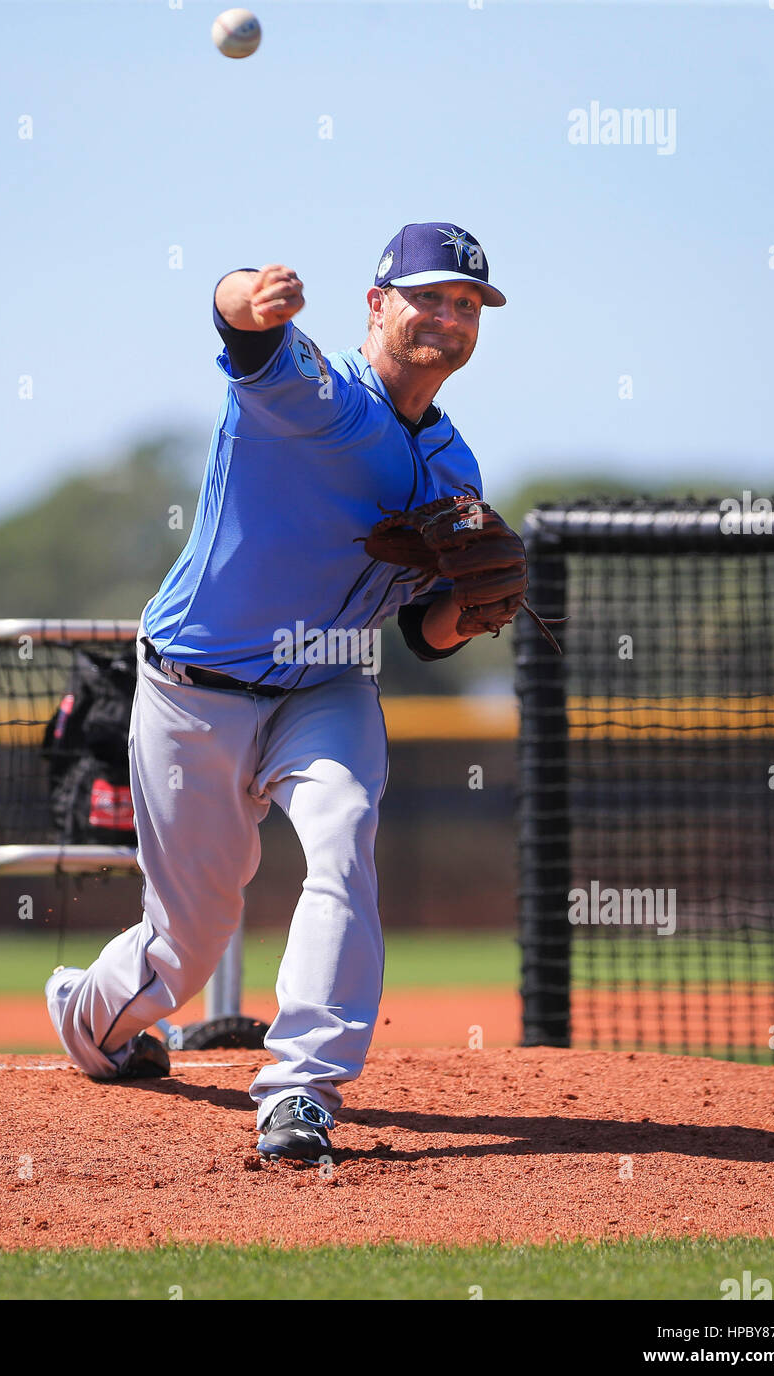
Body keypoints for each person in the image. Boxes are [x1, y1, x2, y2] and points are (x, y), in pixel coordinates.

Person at [46, 222, 510, 1163]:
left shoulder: (454, 466)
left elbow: (421, 635)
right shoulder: (317, 395)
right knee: (191, 939)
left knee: (342, 834)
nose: (449, 317)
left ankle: (300, 1086)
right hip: (196, 690)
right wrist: (240, 297)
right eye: (427, 297)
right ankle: (87, 1016)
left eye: (466, 305)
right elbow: (247, 338)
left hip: (326, 684)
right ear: (377, 305)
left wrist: (470, 610)